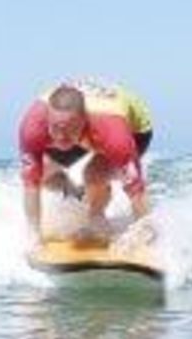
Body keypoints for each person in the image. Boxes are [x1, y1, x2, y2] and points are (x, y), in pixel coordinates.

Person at [18, 80, 155, 244]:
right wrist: (33, 236)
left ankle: (96, 218)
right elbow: (30, 184)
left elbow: (136, 188)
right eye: (55, 128)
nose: (61, 138)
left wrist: (146, 232)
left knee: (94, 173)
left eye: (68, 129)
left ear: (84, 119)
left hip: (134, 129)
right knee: (42, 174)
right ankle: (77, 193)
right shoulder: (32, 127)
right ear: (47, 118)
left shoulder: (114, 135)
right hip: (86, 128)